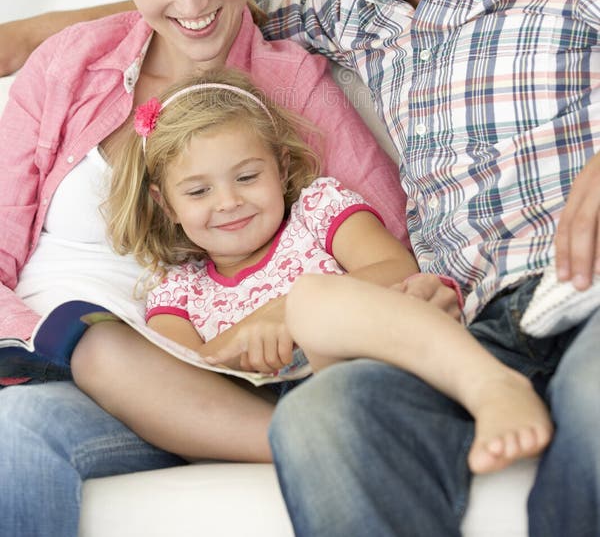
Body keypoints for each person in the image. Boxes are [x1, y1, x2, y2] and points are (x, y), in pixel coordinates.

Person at [0, 0, 430, 537]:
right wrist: (37, 341)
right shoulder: (70, 64)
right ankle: (280, 441)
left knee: (67, 382)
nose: (192, 4)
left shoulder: (295, 84)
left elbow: (389, 250)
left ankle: (295, 436)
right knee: (18, 424)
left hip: (207, 373)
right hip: (48, 357)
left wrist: (288, 316)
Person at [222, 0, 600, 536]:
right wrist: (17, 42)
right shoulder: (343, 8)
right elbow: (201, 5)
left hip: (590, 295)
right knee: (323, 415)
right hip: (463, 334)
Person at [106, 68, 552, 474]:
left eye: (246, 177)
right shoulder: (178, 292)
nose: (228, 202)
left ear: (281, 168)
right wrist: (251, 340)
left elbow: (393, 267)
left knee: (313, 298)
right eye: (199, 190)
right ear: (166, 203)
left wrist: (283, 314)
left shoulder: (318, 210)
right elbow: (182, 377)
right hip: (280, 409)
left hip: (369, 363)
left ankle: (488, 383)